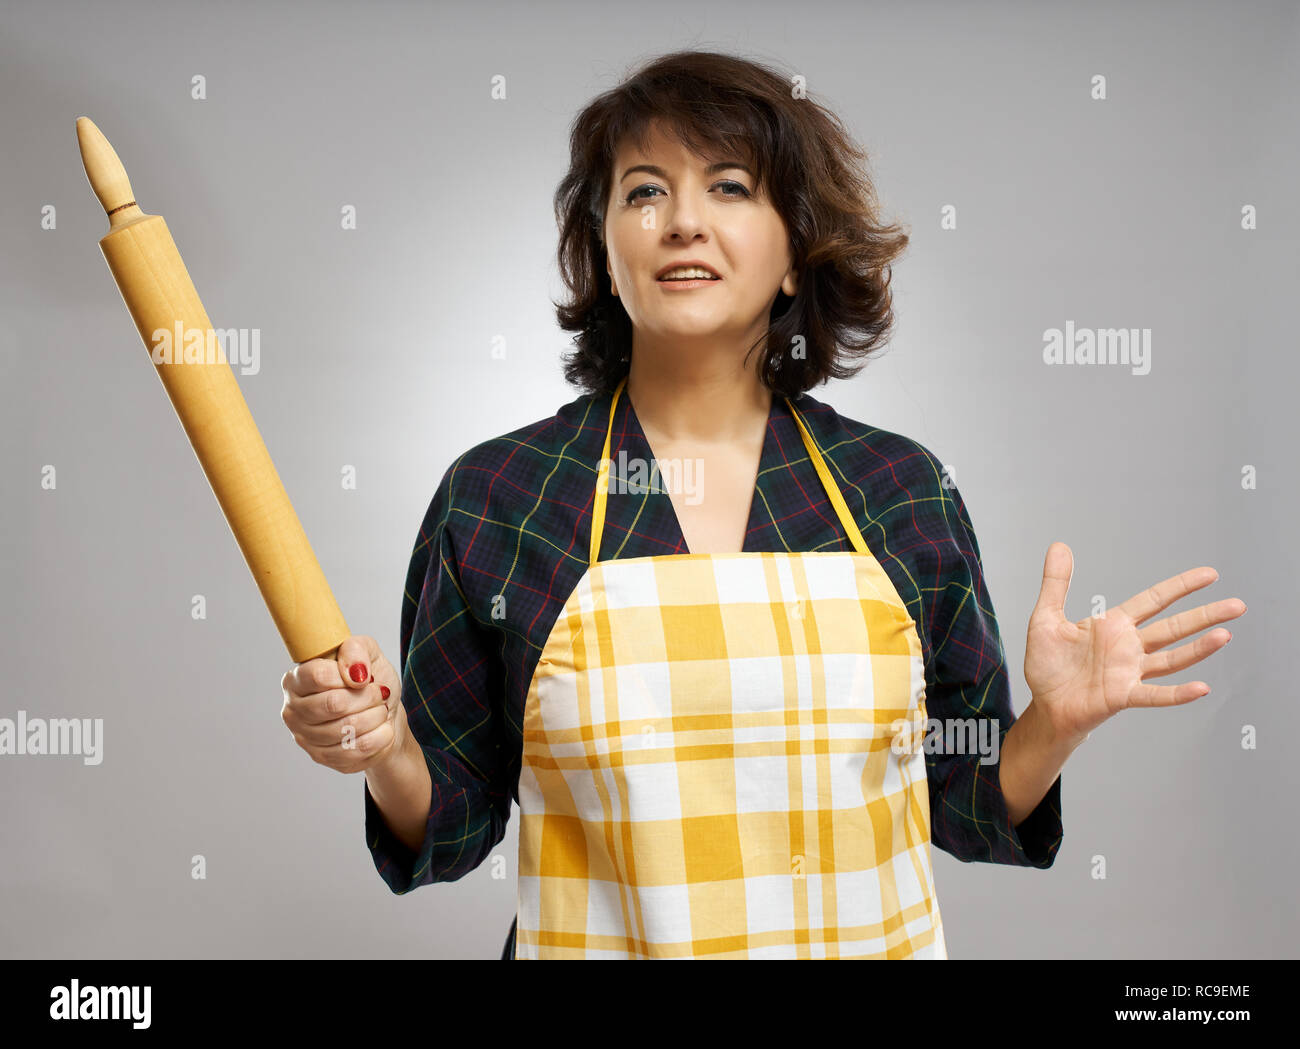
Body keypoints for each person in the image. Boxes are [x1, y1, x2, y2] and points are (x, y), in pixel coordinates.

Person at [279, 50, 1245, 959]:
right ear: (605, 252)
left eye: (730, 186)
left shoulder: (897, 491)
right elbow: (444, 828)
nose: (682, 221)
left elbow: (963, 805)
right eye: (643, 190)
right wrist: (384, 744)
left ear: (794, 254)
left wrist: (1054, 724)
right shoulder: (502, 499)